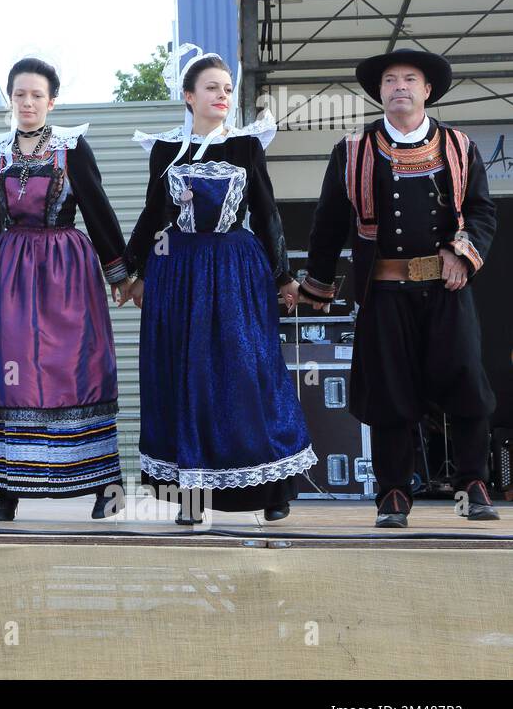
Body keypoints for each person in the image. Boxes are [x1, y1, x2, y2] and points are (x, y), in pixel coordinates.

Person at [297, 48, 498, 528]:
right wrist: (315, 289)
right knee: (390, 392)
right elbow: (327, 226)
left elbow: (482, 211)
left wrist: (461, 252)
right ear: (380, 92)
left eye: (411, 79)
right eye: (391, 80)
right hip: (384, 293)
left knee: (467, 380)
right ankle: (392, 494)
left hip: (447, 289)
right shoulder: (352, 151)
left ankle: (473, 485)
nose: (400, 86)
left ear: (428, 90)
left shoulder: (459, 145)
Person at [124, 47, 313, 524]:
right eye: (212, 88)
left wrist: (283, 275)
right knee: (186, 378)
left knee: (246, 374)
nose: (222, 95)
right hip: (179, 272)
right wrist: (132, 269)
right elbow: (154, 215)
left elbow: (267, 213)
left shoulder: (247, 146)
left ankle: (270, 488)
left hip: (234, 269)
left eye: (228, 89)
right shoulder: (166, 150)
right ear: (189, 96)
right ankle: (191, 495)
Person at [0, 59, 133, 521]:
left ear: (51, 101)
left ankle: (103, 482)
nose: (28, 102)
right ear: (10, 98)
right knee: (12, 372)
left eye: (36, 95)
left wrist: (119, 270)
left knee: (74, 368)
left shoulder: (71, 148)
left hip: (66, 271)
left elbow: (98, 209)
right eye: (20, 94)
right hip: (11, 272)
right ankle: (8, 485)